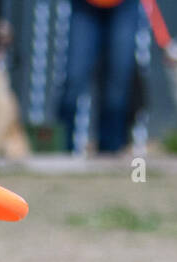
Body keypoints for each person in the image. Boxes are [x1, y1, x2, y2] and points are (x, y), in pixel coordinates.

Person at [58, 0, 141, 154]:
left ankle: (110, 151)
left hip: (124, 6)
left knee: (118, 81)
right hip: (84, 6)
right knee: (73, 77)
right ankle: (61, 150)